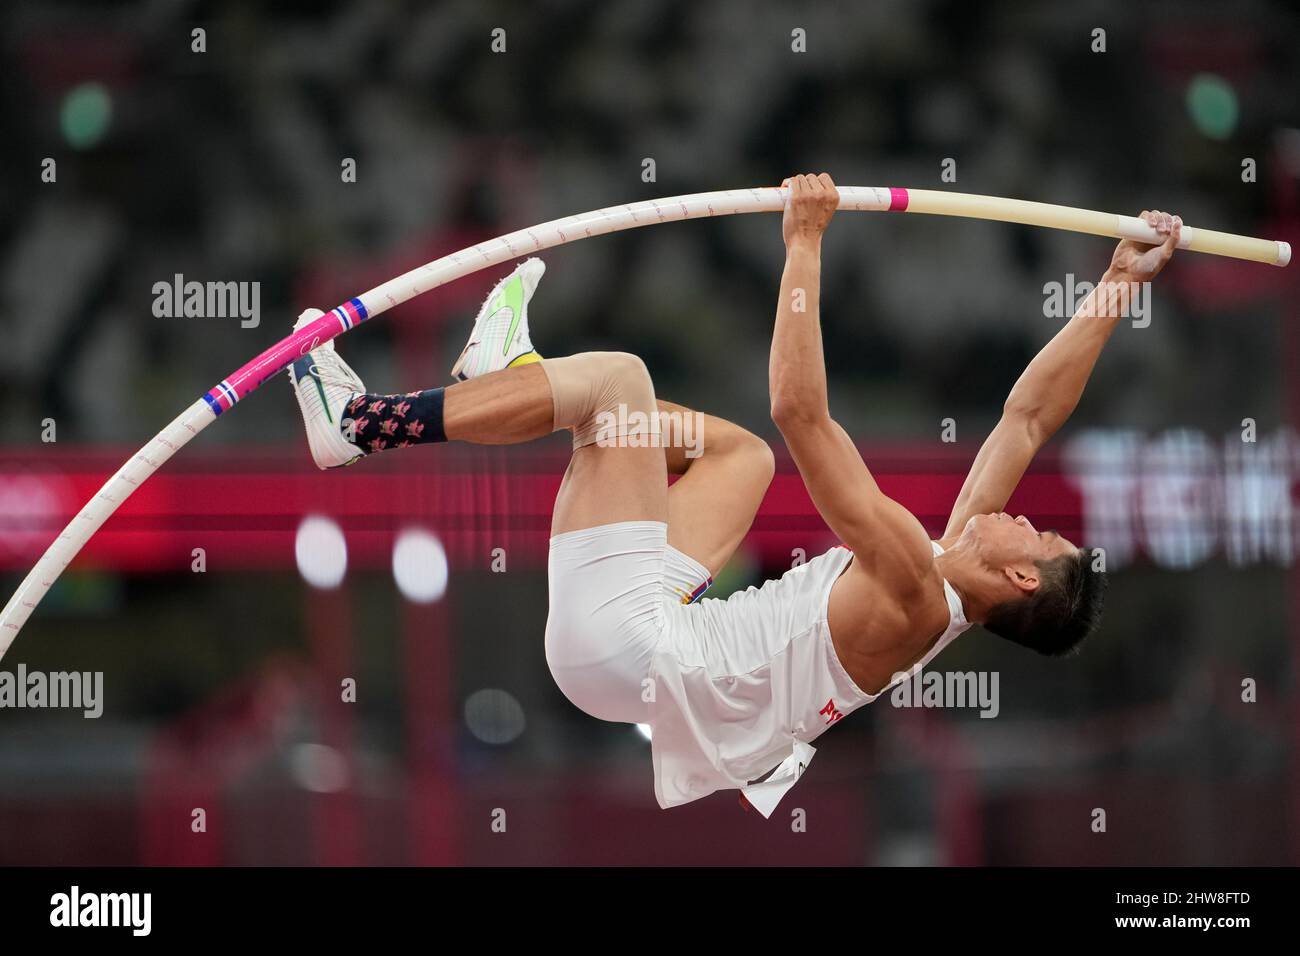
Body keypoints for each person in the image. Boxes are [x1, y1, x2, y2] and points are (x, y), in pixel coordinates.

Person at [288, 173, 1183, 814]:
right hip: (641, 654)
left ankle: (360, 421)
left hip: (631, 644)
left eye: (1040, 536)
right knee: (739, 459)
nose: (1026, 516)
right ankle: (512, 377)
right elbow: (1027, 419)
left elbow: (801, 410)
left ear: (1022, 582)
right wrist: (1113, 288)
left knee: (618, 388)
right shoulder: (941, 578)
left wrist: (803, 245)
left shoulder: (915, 579)